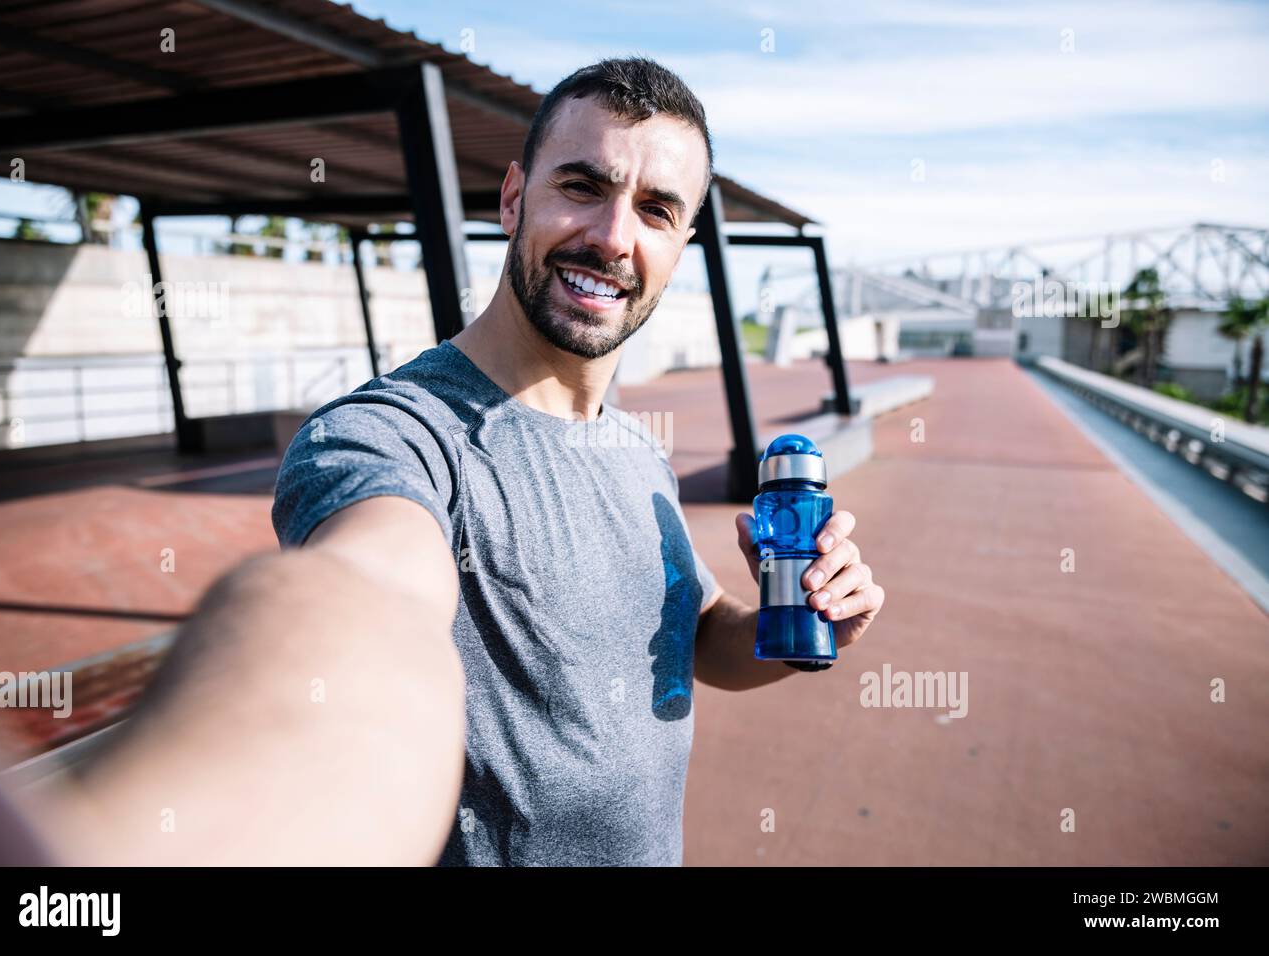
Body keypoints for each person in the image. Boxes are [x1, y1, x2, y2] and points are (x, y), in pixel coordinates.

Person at [271, 56, 884, 866]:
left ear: (680, 244)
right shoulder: (387, 437)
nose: (612, 238)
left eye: (656, 210)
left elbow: (696, 637)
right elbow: (375, 587)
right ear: (515, 198)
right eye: (583, 187)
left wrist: (803, 617)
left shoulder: (635, 452)